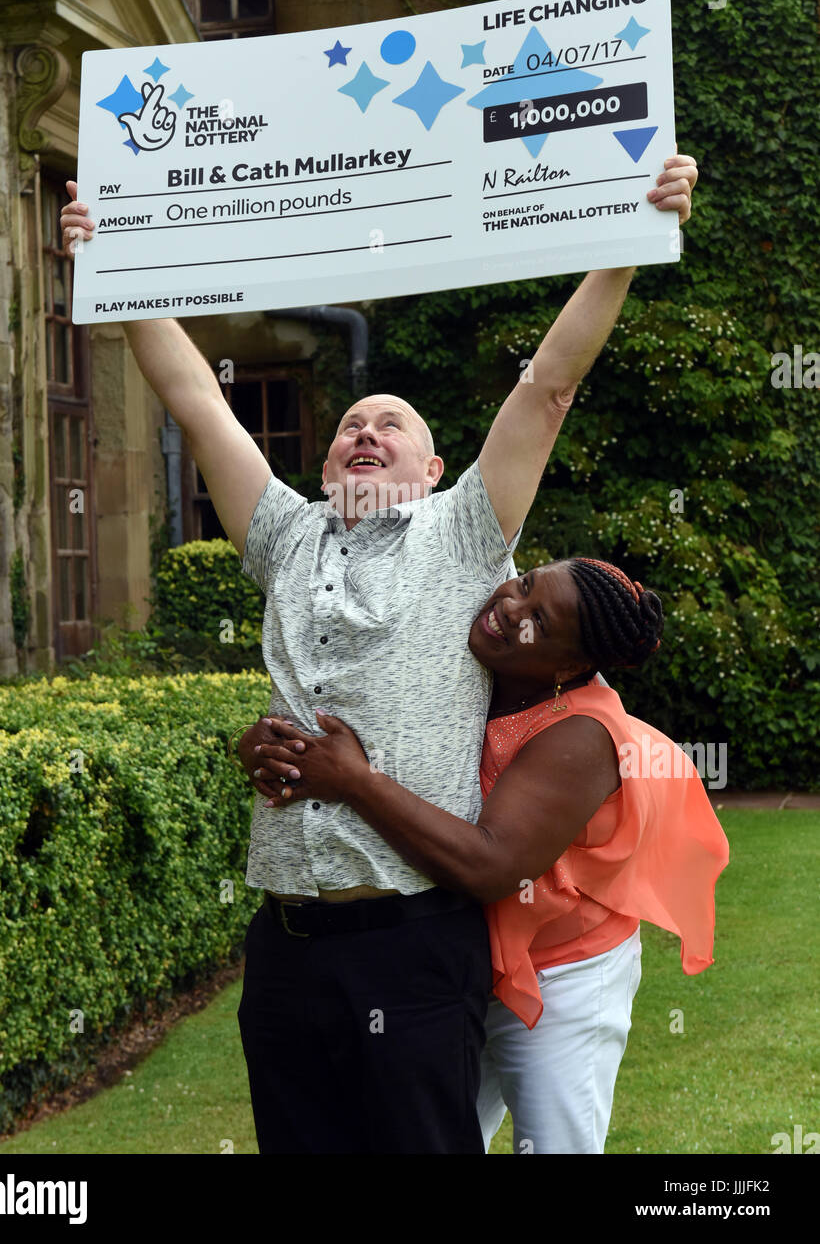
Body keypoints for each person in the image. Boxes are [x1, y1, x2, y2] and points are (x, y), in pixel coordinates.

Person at [61, 153, 698, 1154]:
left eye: (391, 426)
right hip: (283, 943)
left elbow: (548, 385)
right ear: (322, 463)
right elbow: (193, 398)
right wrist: (108, 263)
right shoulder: (280, 531)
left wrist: (627, 238)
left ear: (434, 468)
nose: (366, 431)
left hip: (408, 943)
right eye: (352, 424)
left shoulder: (463, 535)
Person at [243, 556, 729, 1154]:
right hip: (467, 958)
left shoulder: (582, 735)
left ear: (572, 665)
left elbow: (491, 866)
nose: (510, 608)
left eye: (538, 622)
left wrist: (357, 780)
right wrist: (272, 747)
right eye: (524, 584)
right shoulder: (485, 655)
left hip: (562, 974)